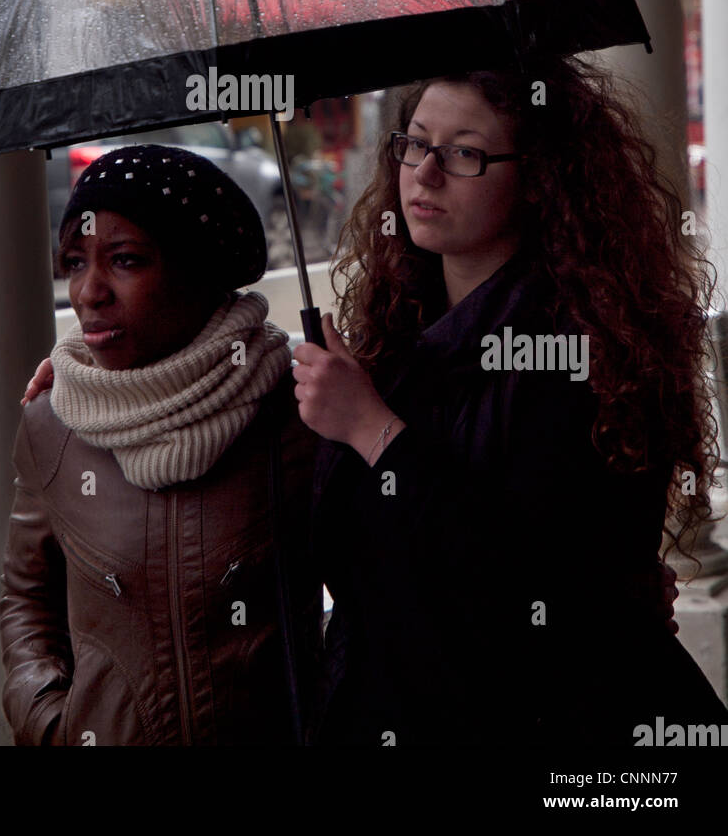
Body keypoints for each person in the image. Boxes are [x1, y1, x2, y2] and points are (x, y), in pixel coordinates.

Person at [292, 55, 728, 746]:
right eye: (414, 143)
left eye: (464, 153)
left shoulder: (583, 350)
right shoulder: (395, 340)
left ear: (540, 180)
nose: (424, 174)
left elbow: (518, 587)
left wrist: (373, 431)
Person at [0, 144, 320, 746]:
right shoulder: (52, 420)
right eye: (74, 261)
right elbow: (26, 595)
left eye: (125, 261)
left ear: (200, 273)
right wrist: (47, 720)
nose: (88, 291)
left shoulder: (296, 407)